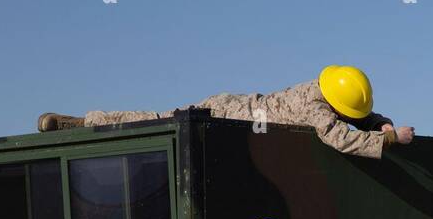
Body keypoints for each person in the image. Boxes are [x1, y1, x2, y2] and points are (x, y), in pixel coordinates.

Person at [39, 65, 414, 159]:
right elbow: (337, 136)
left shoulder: (323, 90)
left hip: (237, 108)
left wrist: (378, 121)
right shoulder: (317, 107)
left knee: (157, 119)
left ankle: (88, 121)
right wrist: (390, 139)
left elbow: (352, 116)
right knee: (156, 122)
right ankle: (88, 122)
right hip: (226, 117)